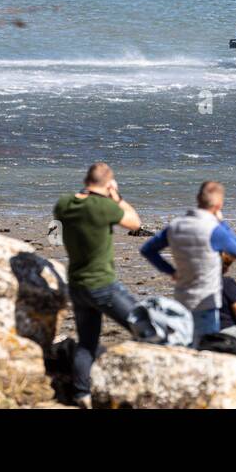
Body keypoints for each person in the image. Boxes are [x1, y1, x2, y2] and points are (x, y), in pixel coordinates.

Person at [53, 162, 144, 408]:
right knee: (144, 326)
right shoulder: (103, 206)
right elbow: (135, 223)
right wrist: (117, 197)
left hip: (77, 285)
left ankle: (82, 394)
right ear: (108, 183)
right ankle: (142, 384)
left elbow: (62, 211)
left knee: (87, 342)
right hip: (102, 283)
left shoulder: (64, 204)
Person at [140, 181, 236, 341]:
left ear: (198, 198)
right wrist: (222, 222)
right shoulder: (213, 229)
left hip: (182, 297)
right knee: (205, 348)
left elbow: (148, 250)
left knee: (186, 343)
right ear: (219, 204)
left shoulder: (176, 225)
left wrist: (170, 271)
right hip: (206, 299)